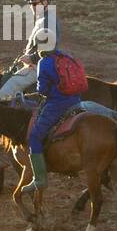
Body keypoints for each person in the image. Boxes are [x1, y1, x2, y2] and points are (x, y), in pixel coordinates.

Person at [20, 43, 86, 194]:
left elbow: (42, 90)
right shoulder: (67, 56)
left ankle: (40, 179)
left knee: (35, 137)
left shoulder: (45, 62)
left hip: (56, 104)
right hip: (76, 101)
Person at [0, 0, 61, 102]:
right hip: (37, 65)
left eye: (34, 3)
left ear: (45, 3)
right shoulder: (43, 19)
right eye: (30, 4)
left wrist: (31, 58)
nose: (32, 6)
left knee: (5, 92)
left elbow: (50, 48)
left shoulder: (48, 20)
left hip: (38, 67)